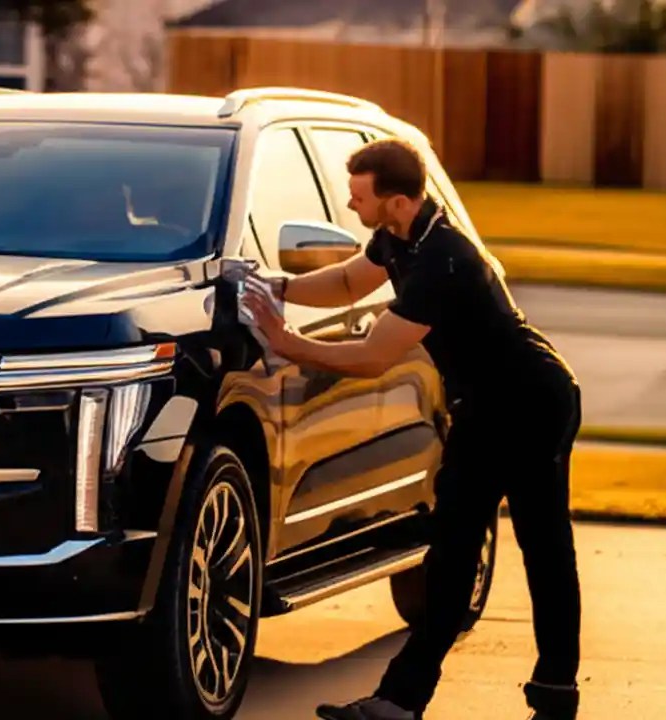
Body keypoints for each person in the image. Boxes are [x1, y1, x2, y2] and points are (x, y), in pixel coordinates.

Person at [242, 138, 583, 720]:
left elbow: (373, 356)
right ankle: (400, 701)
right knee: (451, 553)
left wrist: (286, 342)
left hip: (530, 403)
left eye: (359, 197)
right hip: (483, 405)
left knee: (541, 547)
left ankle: (553, 696)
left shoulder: (442, 260)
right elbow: (348, 284)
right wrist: (276, 288)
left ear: (398, 201)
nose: (351, 206)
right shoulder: (399, 237)